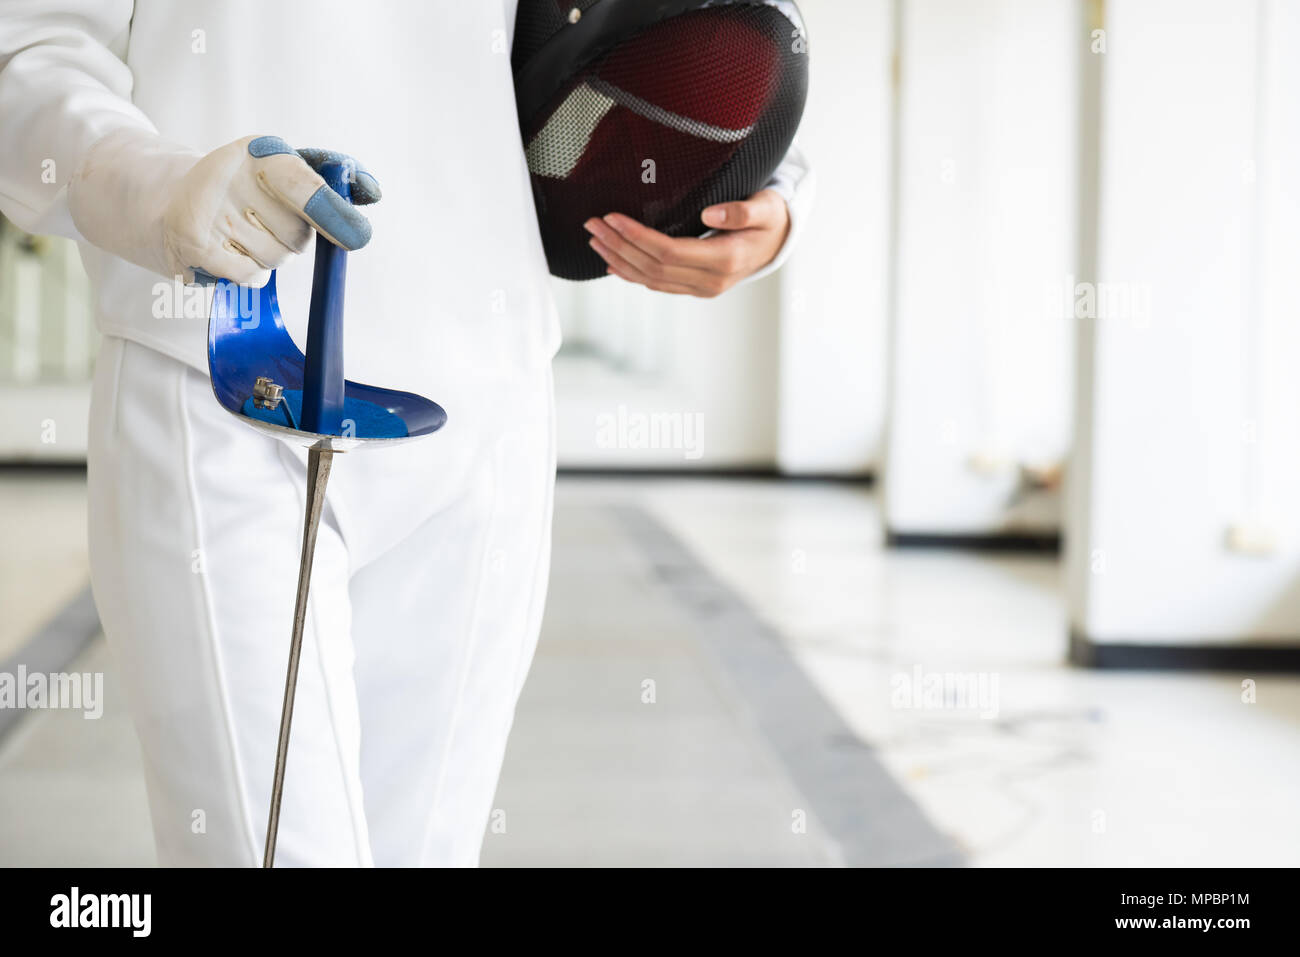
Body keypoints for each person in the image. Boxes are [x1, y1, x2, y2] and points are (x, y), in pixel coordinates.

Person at [0, 0, 813, 866]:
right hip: (226, 365)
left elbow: (730, 22)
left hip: (488, 402)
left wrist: (774, 192)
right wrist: (153, 186)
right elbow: (28, 49)